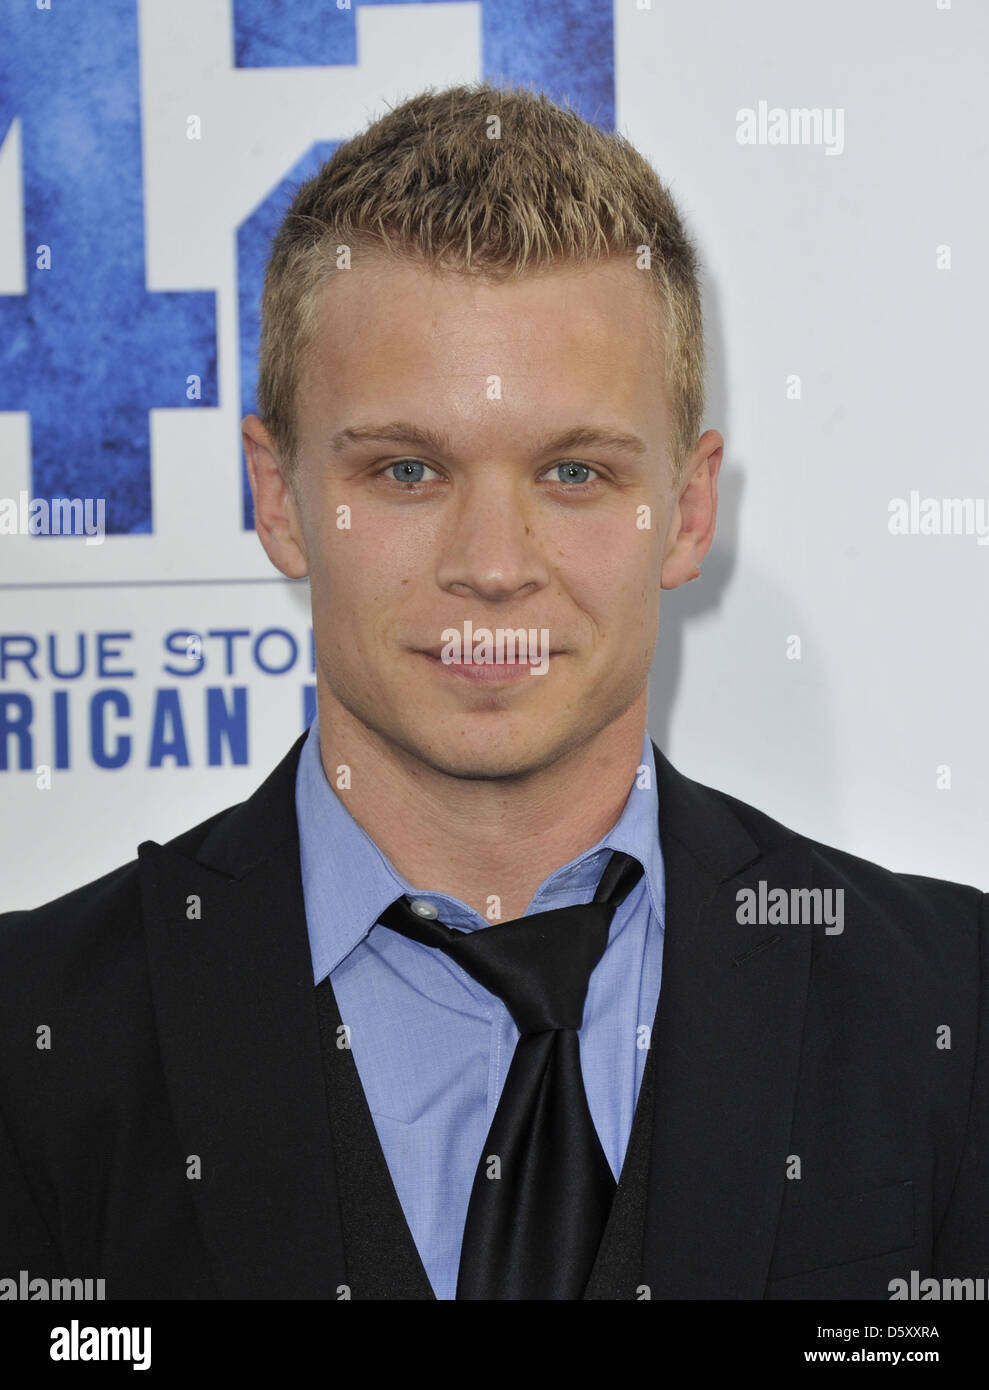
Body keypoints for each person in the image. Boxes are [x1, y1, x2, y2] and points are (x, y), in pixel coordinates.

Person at [1, 82, 986, 1302]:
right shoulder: (32, 1040)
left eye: (573, 471)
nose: (491, 564)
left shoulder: (950, 1008)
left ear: (684, 511)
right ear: (275, 494)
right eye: (406, 469)